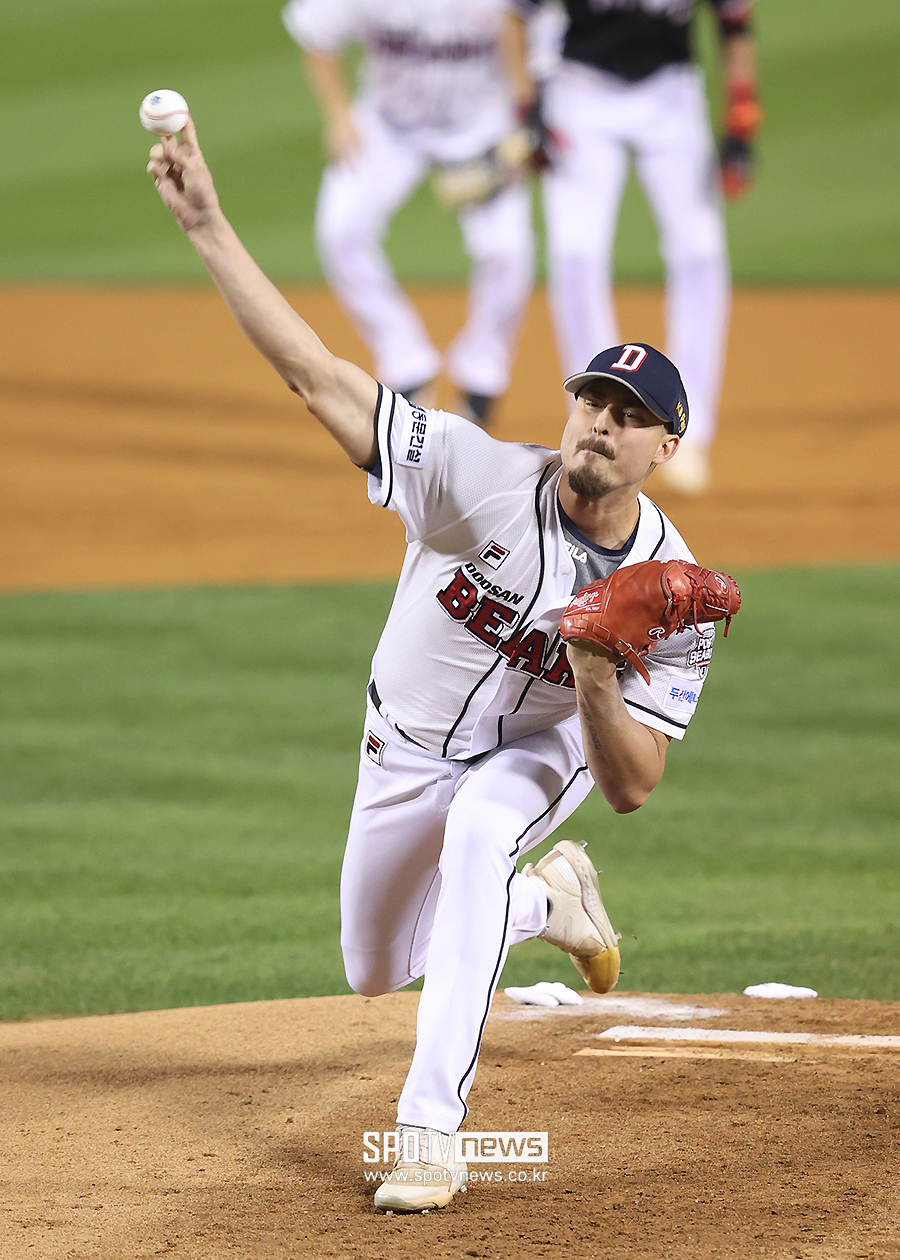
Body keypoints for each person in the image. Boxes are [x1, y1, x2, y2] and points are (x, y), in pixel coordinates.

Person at [147, 119, 723, 1213]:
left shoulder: (673, 588)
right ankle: (546, 906)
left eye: (632, 416)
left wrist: (596, 671)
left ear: (664, 450)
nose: (603, 422)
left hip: (537, 746)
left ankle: (429, 1132)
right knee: (374, 966)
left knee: (479, 831)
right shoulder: (471, 470)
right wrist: (210, 225)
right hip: (399, 744)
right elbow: (318, 378)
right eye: (595, 398)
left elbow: (635, 783)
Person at [503, 0, 762, 493]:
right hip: (580, 91)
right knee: (576, 256)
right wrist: (526, 103)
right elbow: (516, 15)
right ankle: (589, 422)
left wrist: (742, 115)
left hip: (671, 95)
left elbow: (735, 22)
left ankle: (690, 430)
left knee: (700, 254)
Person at [281, 0, 538, 427]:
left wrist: (525, 115)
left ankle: (482, 377)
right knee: (340, 230)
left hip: (481, 131)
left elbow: (540, 39)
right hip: (388, 129)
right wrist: (339, 116)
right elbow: (315, 34)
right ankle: (407, 366)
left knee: (507, 249)